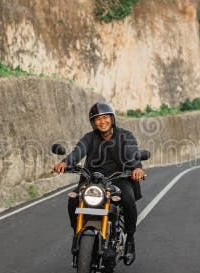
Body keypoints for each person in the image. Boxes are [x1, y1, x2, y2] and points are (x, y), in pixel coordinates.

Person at [54, 102, 145, 261]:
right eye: (98, 119)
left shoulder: (125, 136)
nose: (102, 121)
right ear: (93, 122)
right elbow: (78, 152)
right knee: (73, 199)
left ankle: (130, 239)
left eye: (105, 117)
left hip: (119, 178)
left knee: (129, 201)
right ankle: (78, 235)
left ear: (112, 118)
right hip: (92, 179)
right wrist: (65, 163)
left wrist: (137, 168)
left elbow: (132, 153)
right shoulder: (89, 138)